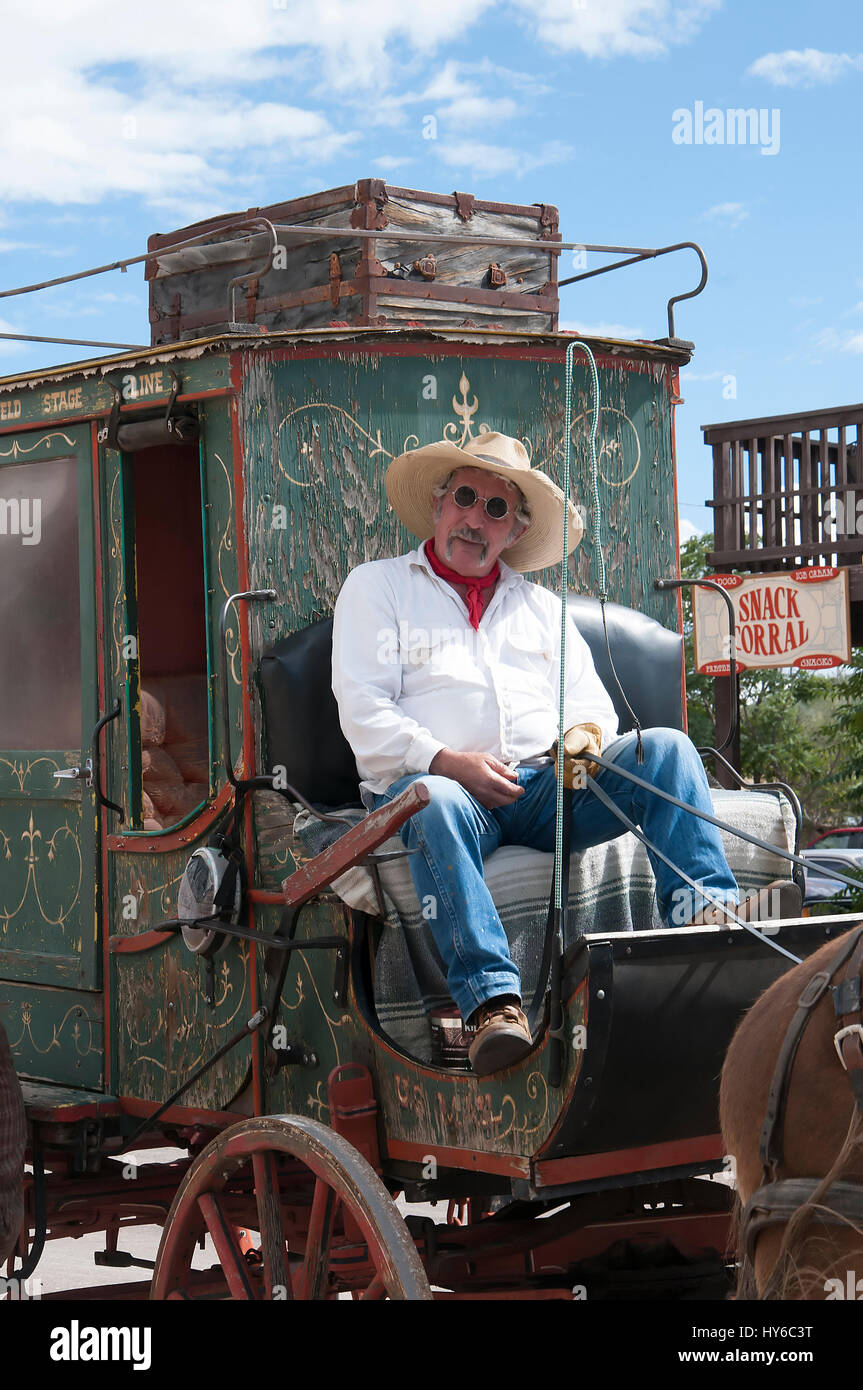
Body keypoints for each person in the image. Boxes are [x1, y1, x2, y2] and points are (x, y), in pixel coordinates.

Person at [331, 432, 800, 1075]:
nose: (476, 518)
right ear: (440, 505)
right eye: (466, 497)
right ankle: (493, 1005)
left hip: (540, 788)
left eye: (497, 509)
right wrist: (448, 761)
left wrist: (579, 744)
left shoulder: (543, 610)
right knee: (430, 798)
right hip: (437, 792)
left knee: (665, 748)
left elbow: (595, 714)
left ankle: (709, 924)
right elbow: (364, 713)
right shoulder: (378, 587)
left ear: (514, 530)